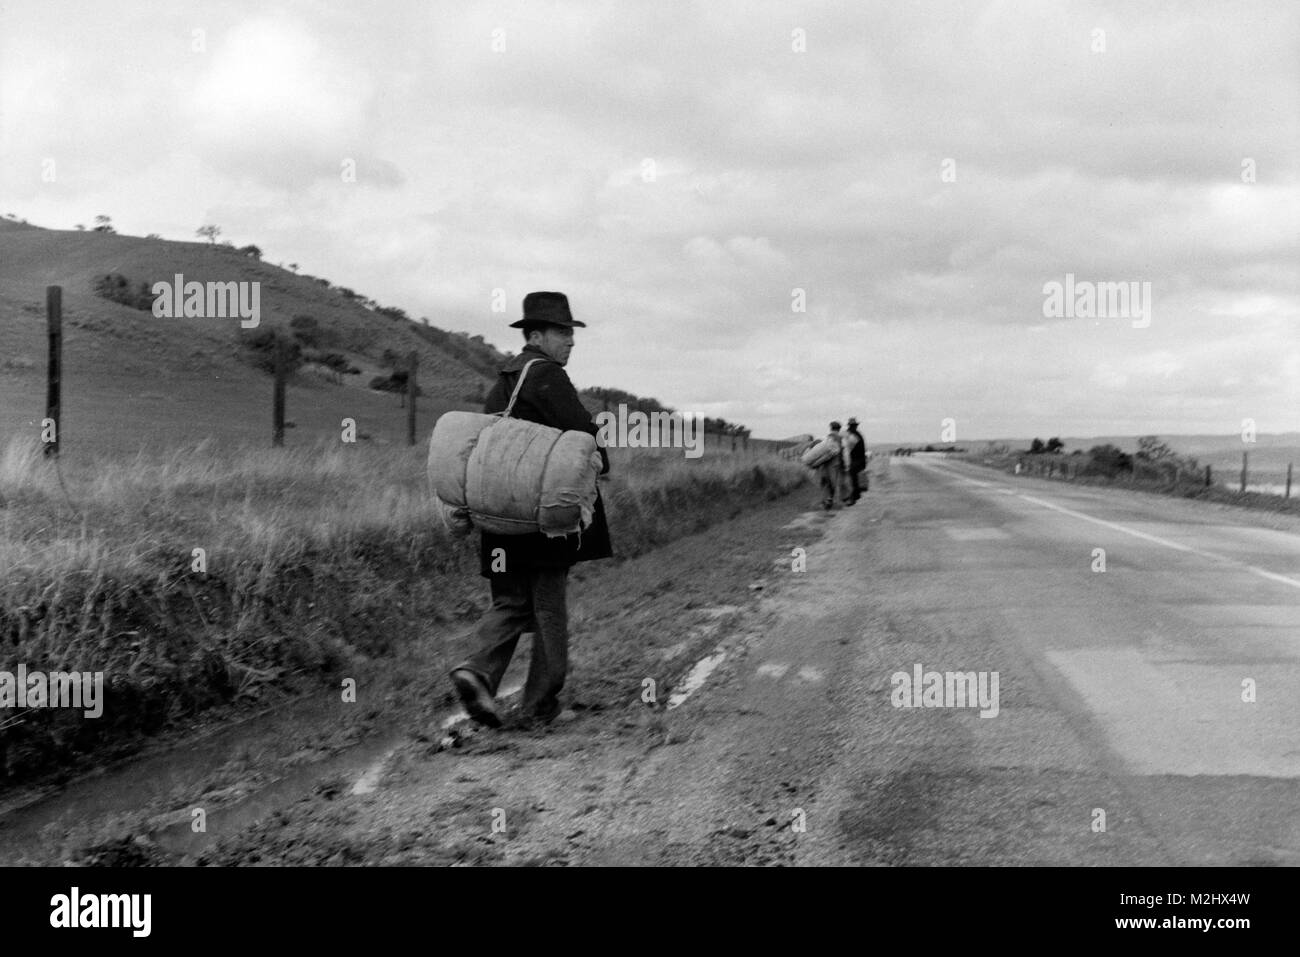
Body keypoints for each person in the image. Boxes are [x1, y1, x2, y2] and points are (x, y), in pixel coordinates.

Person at [448, 291, 612, 728]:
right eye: (561, 332)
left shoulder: (503, 381)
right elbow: (582, 435)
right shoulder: (547, 375)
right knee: (547, 609)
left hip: (497, 517)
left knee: (511, 601)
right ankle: (539, 706)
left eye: (570, 333)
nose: (570, 341)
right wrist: (604, 461)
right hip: (541, 520)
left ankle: (477, 671)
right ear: (535, 336)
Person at [818, 421, 845, 510]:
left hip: (824, 463)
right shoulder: (840, 439)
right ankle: (829, 500)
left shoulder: (827, 438)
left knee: (824, 482)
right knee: (833, 482)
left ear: (831, 428)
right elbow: (844, 453)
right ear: (839, 429)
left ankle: (823, 500)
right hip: (835, 464)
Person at [843, 417, 867, 504]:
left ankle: (852, 498)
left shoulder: (851, 436)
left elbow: (846, 449)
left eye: (850, 426)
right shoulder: (859, 435)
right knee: (855, 478)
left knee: (852, 479)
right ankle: (856, 495)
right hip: (860, 460)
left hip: (854, 460)